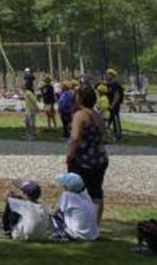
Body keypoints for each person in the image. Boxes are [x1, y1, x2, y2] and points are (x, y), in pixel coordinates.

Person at [66, 85, 108, 221]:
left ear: (80, 98)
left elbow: (75, 138)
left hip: (83, 159)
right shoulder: (97, 115)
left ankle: (76, 222)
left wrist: (69, 155)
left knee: (74, 191)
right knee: (96, 192)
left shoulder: (80, 115)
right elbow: (104, 136)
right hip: (99, 158)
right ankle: (95, 225)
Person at [52, 172, 99, 241]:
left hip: (77, 235)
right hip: (92, 235)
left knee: (53, 218)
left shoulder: (67, 195)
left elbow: (54, 212)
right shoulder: (85, 194)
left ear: (67, 187)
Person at [104, 69, 124, 141]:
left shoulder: (115, 85)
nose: (106, 76)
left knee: (115, 119)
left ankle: (118, 134)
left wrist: (112, 105)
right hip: (106, 105)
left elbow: (117, 96)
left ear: (112, 76)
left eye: (108, 74)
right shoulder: (106, 85)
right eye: (106, 74)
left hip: (114, 106)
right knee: (107, 120)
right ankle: (106, 135)